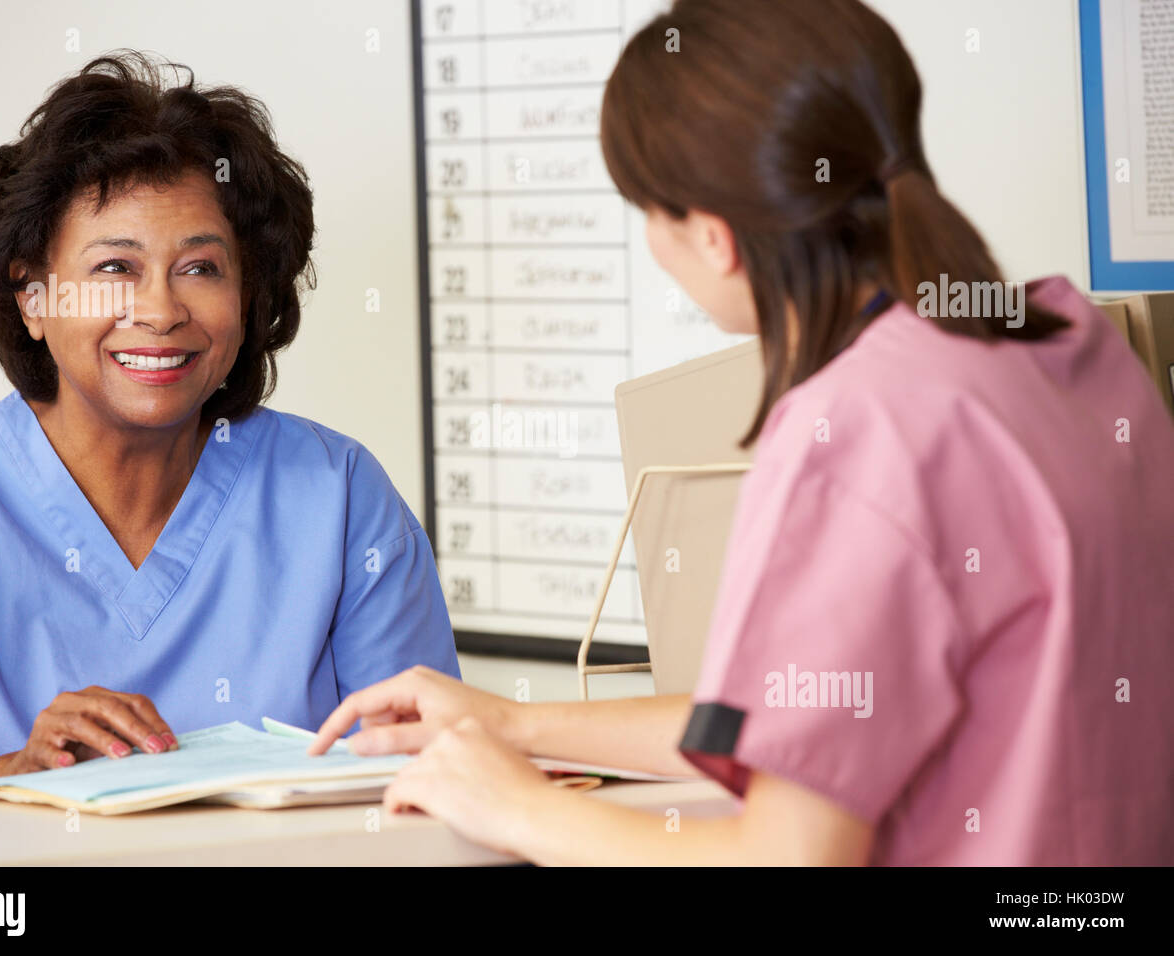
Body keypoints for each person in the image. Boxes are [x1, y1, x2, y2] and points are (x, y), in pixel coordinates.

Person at [309, 0, 1174, 865]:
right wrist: (515, 722)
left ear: (715, 238)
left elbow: (791, 855)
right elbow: (803, 716)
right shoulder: (1073, 345)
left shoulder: (859, 429)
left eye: (648, 211)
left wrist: (518, 808)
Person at [0, 52, 458, 807]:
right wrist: (26, 773)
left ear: (249, 295)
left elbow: (439, 779)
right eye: (116, 267)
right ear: (32, 297)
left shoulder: (339, 494)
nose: (160, 310)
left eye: (202, 269)